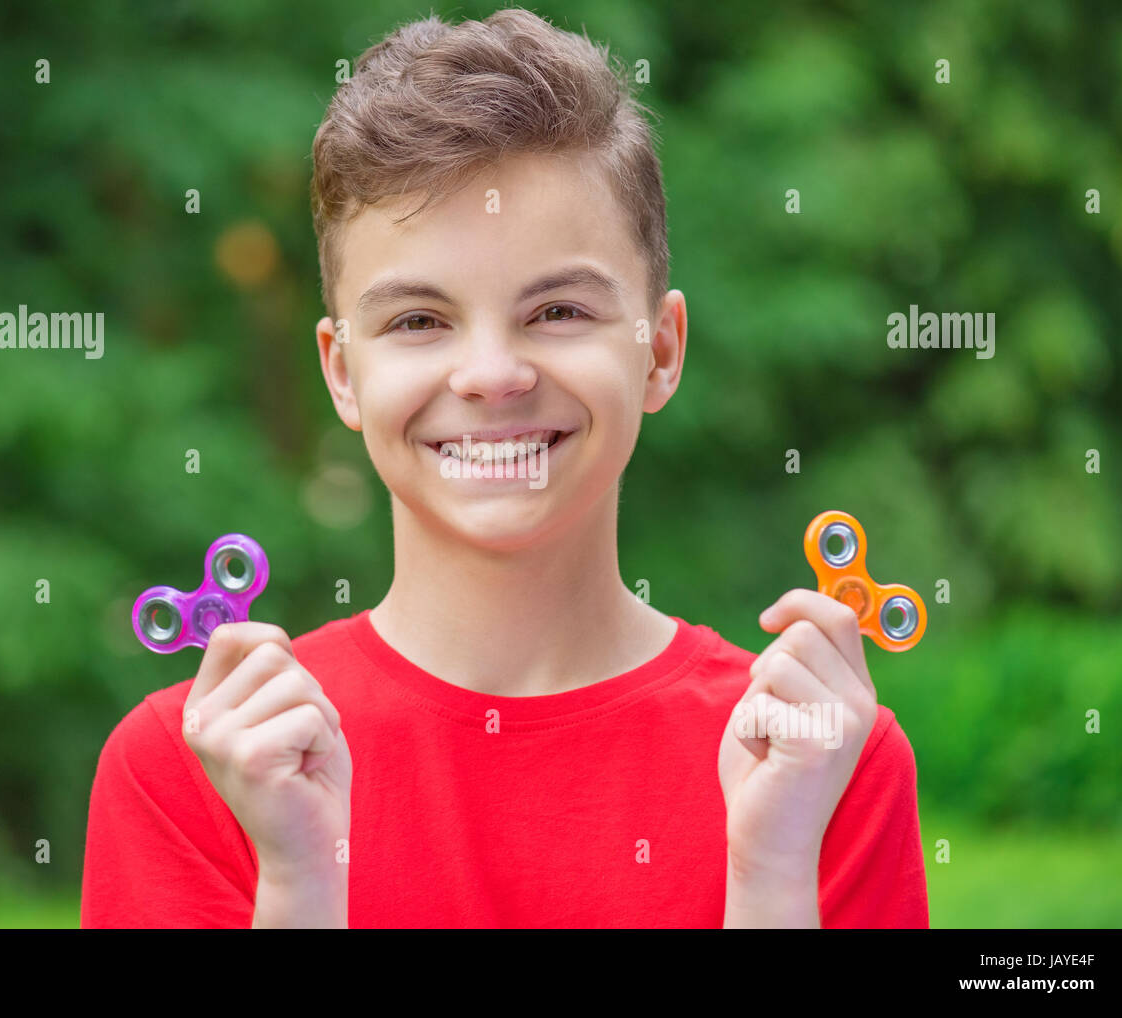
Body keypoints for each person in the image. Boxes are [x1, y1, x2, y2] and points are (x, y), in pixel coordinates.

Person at [80, 8, 929, 928]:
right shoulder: (196, 766)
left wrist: (769, 872)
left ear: (661, 350)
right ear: (342, 372)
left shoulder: (816, 761)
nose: (492, 376)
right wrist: (298, 884)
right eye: (418, 321)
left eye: (558, 310)